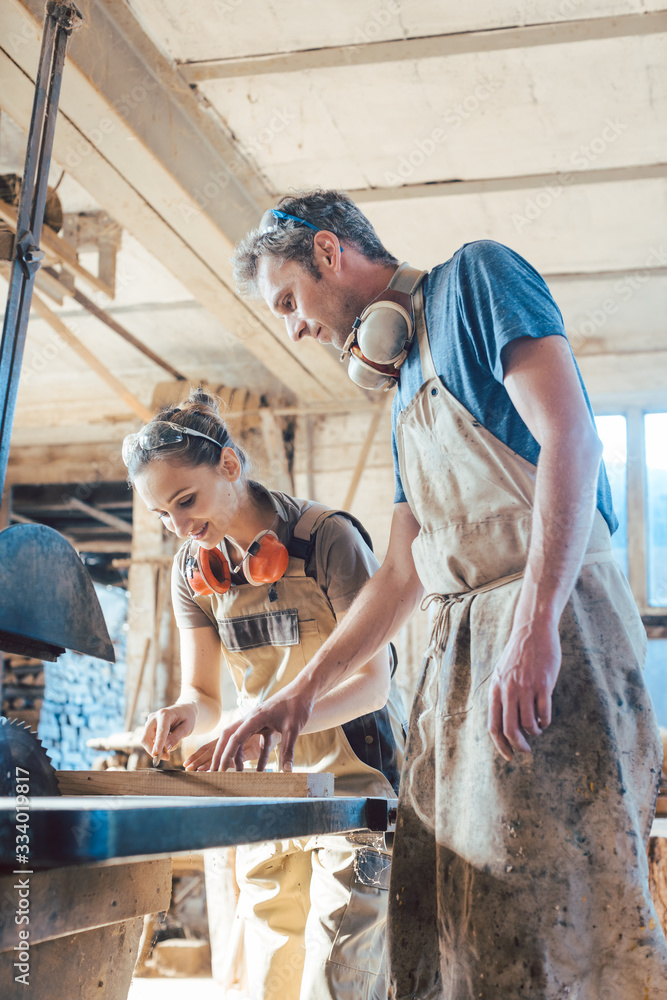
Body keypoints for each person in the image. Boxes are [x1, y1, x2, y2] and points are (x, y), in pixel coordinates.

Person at [206, 190, 667, 999]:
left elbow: (571, 437)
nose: (295, 328)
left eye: (288, 301)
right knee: (456, 905)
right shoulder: (402, 380)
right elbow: (398, 575)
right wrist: (294, 692)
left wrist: (535, 627)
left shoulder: (477, 280)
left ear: (326, 251)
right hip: (462, 648)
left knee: (563, 902)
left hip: (551, 617)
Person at [125, 389, 406, 1000]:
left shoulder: (327, 540)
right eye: (163, 515)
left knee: (337, 981)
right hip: (270, 791)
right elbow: (205, 697)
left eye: (186, 501)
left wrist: (273, 718)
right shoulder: (191, 573)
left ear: (229, 465)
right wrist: (184, 713)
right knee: (270, 980)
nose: (180, 527)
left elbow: (374, 683)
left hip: (352, 789)